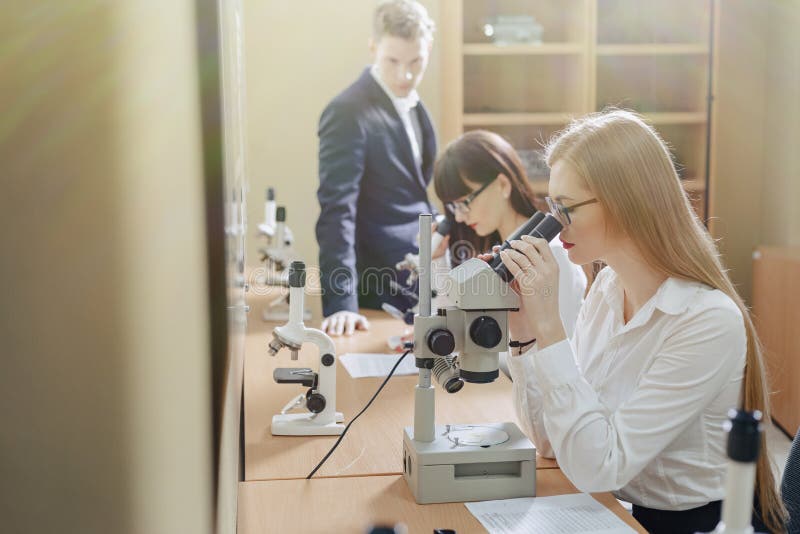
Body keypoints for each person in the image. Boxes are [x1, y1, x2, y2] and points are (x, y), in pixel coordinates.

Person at [498, 109, 786, 534]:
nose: (554, 228)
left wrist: (551, 330)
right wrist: (523, 334)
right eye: (551, 207)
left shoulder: (707, 321)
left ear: (626, 204)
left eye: (566, 209)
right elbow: (554, 445)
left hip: (698, 524)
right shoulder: (607, 289)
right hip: (617, 509)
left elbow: (601, 466)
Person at [315, 0, 437, 336]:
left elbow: (412, 195)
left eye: (416, 62)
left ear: (428, 49)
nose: (405, 75)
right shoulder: (347, 112)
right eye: (392, 61)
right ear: (373, 48)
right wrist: (341, 302)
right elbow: (337, 212)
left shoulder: (414, 105)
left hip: (421, 280)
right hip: (375, 290)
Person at [432, 130, 587, 375]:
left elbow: (555, 358)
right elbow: (450, 329)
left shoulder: (551, 257)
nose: (459, 216)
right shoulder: (496, 250)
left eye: (464, 202)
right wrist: (436, 260)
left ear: (503, 184)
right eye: (453, 207)